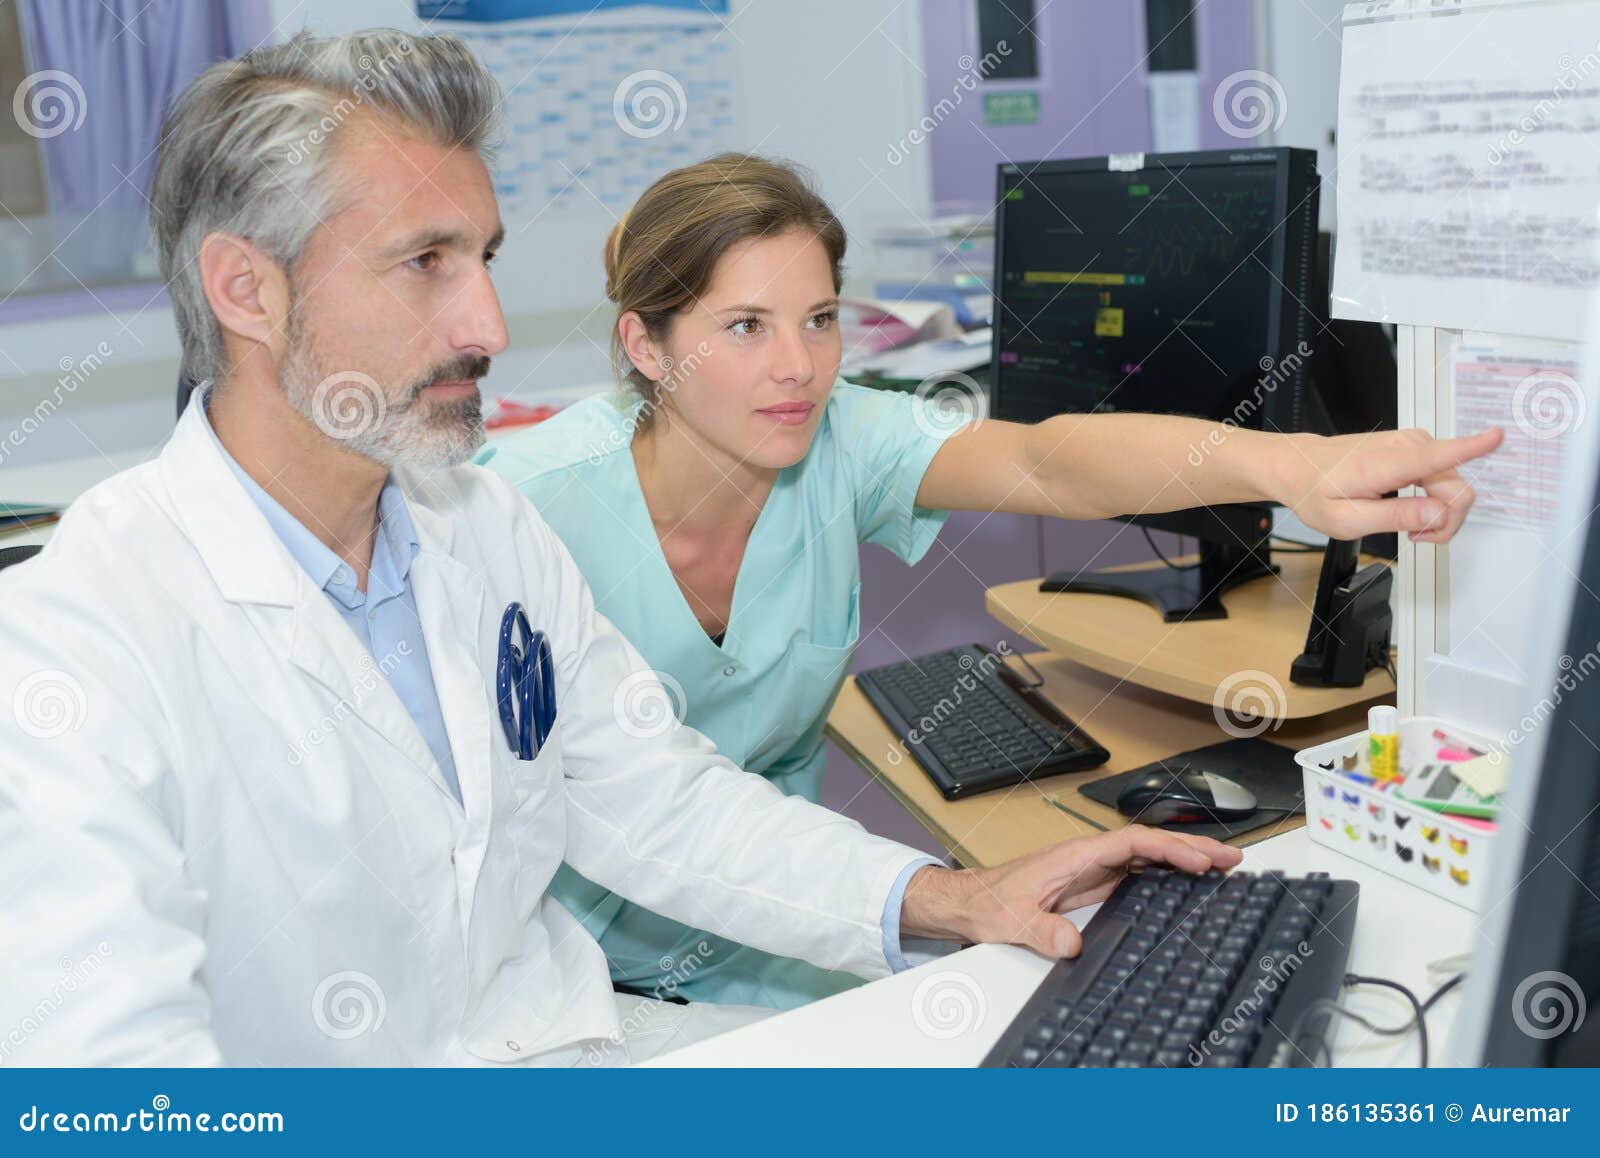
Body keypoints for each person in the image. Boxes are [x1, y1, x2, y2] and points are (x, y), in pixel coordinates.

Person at [0, 30, 1245, 1068]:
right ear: (245, 290)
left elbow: (656, 798)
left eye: (481, 257)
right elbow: (112, 1083)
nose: (486, 321)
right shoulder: (76, 643)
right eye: (425, 263)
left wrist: (949, 897)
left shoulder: (479, 531)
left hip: (566, 1050)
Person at [479, 153, 1503, 1009]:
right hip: (562, 963)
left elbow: (1046, 459)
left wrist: (1291, 468)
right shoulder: (518, 508)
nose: (798, 364)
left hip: (780, 919)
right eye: (745, 326)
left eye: (820, 318)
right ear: (645, 345)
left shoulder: (841, 439)